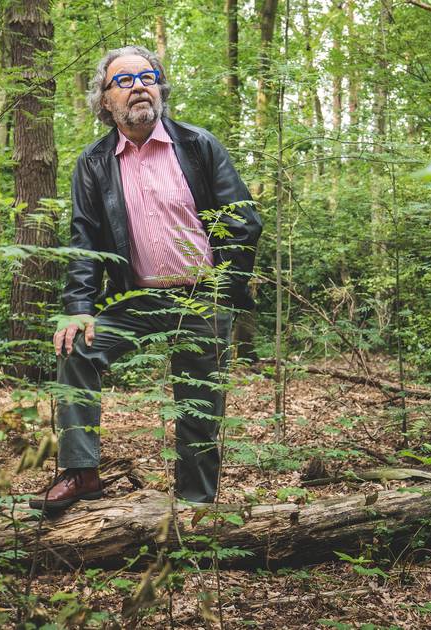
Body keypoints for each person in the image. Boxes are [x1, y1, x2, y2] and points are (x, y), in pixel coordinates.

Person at [30, 45, 261, 510]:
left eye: (148, 76)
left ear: (160, 87)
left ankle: (195, 508)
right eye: (124, 80)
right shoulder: (94, 163)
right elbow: (85, 241)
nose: (139, 85)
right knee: (76, 347)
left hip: (201, 296)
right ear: (105, 101)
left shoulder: (196, 145)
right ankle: (82, 473)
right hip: (133, 298)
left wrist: (225, 295)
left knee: (198, 404)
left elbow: (243, 222)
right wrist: (77, 307)